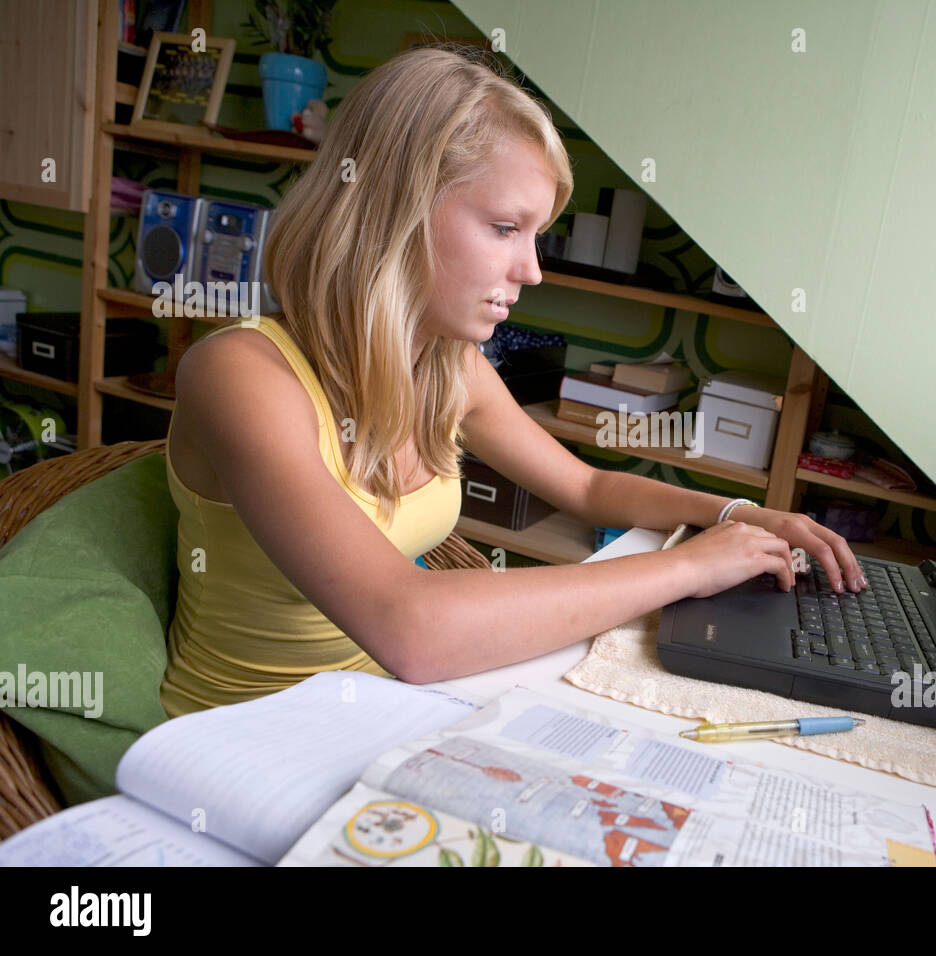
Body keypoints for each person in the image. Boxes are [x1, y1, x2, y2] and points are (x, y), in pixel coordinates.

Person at [160, 46, 865, 718]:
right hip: (239, 742)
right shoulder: (240, 374)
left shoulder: (446, 365)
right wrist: (688, 569)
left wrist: (734, 516)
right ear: (388, 213)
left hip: (385, 715)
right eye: (505, 227)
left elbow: (588, 489)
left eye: (535, 235)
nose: (530, 270)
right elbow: (408, 629)